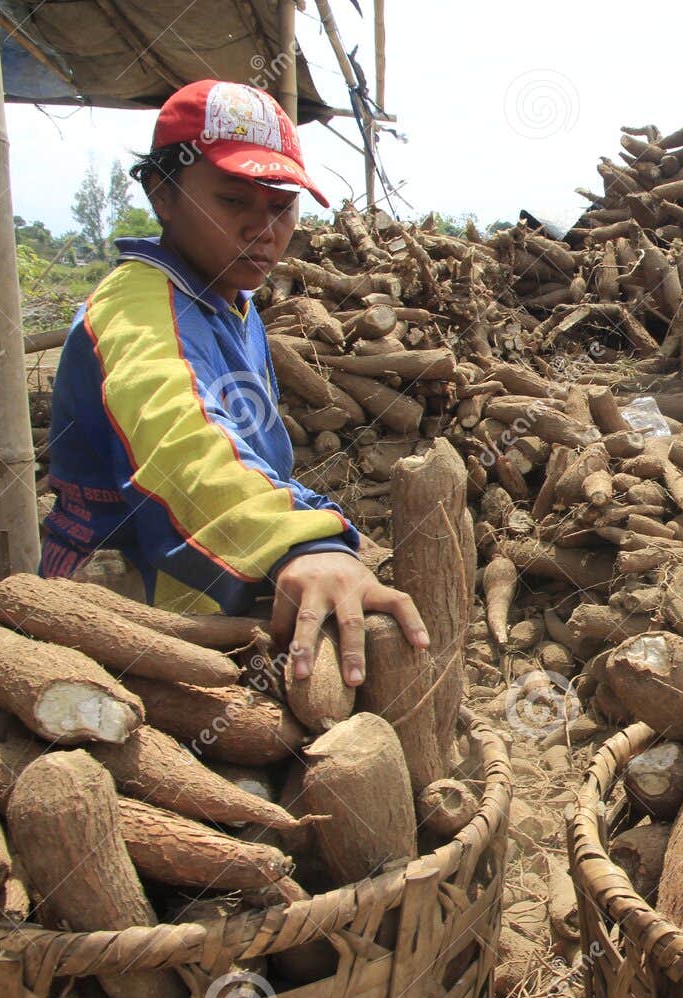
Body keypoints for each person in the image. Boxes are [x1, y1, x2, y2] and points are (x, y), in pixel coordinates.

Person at [43, 80, 427, 686]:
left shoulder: (232, 303)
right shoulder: (138, 308)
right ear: (162, 194)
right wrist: (300, 543)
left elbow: (242, 446)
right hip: (123, 594)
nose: (262, 229)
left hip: (215, 570)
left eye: (280, 208)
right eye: (231, 202)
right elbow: (185, 445)